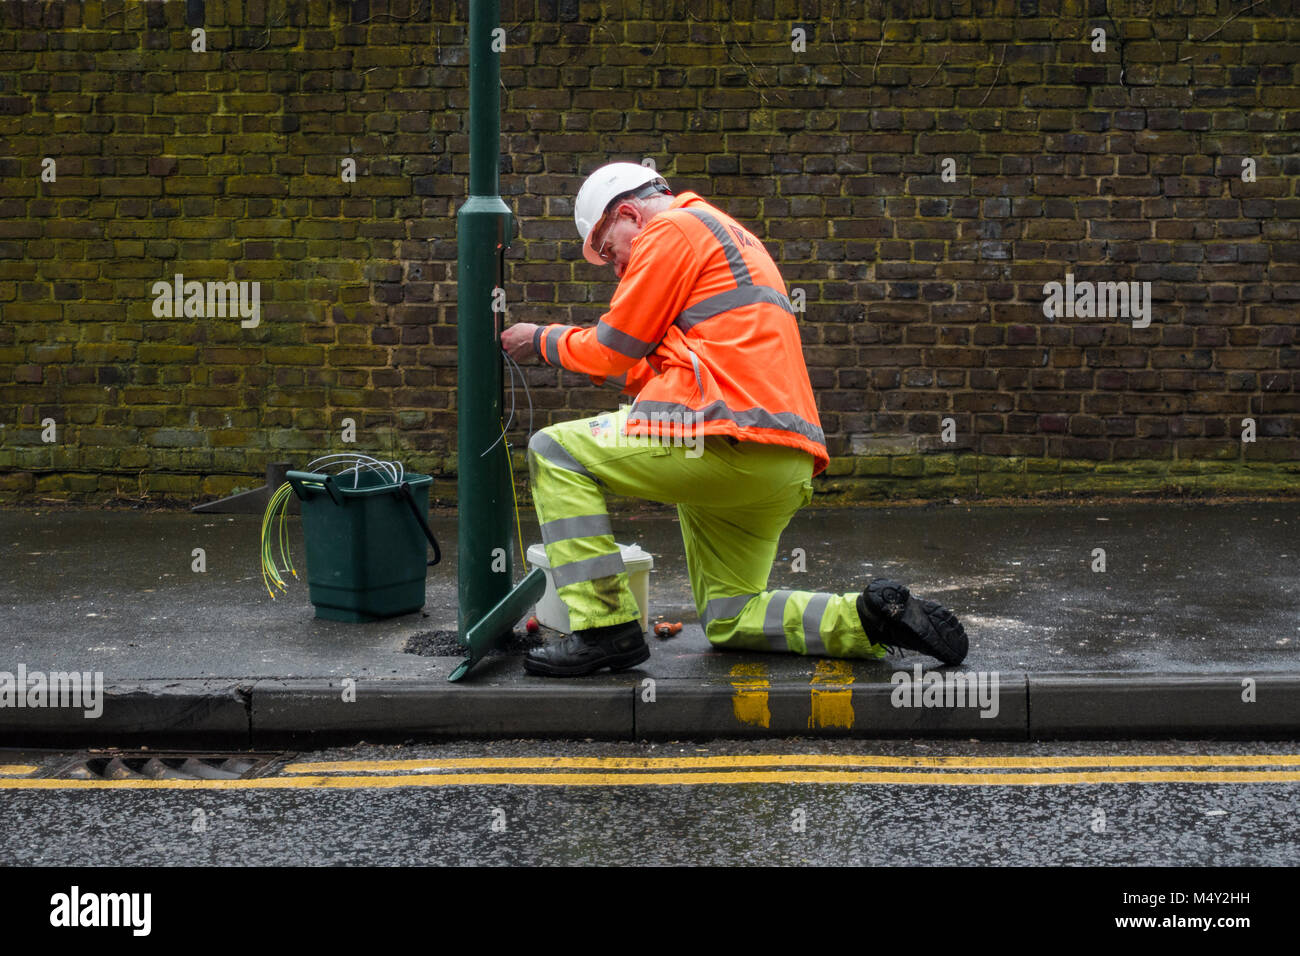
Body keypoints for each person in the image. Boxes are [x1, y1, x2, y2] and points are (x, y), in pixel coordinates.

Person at [500, 162, 968, 677]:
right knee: (731, 617)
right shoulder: (732, 237)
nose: (614, 268)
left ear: (631, 213)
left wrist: (540, 340)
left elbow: (612, 349)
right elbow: (654, 358)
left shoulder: (671, 228)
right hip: (782, 461)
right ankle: (868, 618)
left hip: (721, 437)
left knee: (554, 449)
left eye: (609, 250)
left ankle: (604, 628)